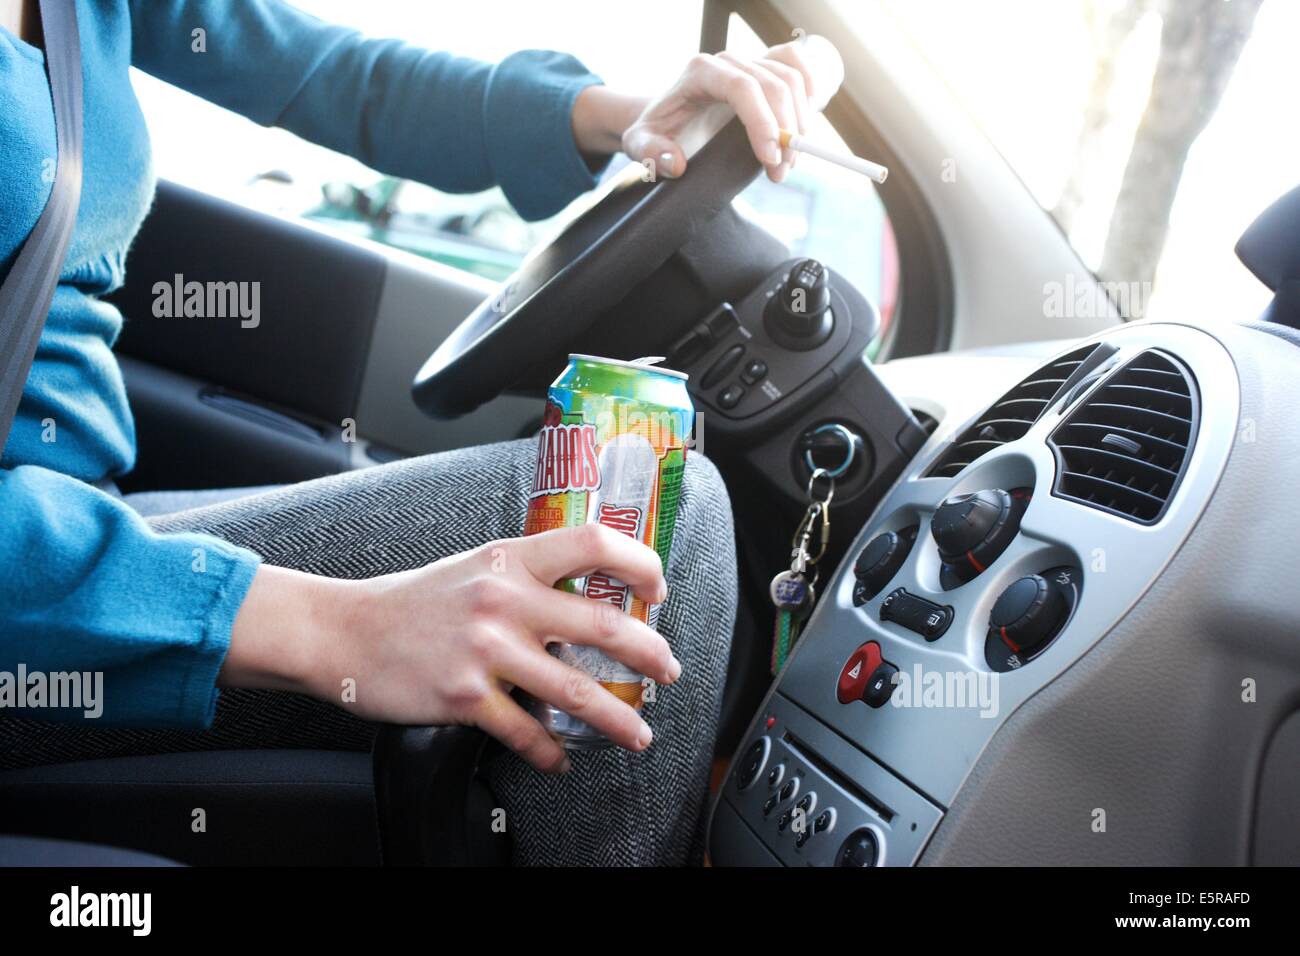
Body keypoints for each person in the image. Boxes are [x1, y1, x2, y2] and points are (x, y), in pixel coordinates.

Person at [0, 0, 821, 864]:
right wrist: (336, 630)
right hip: (34, 607)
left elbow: (331, 75)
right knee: (656, 512)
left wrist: (615, 117)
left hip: (74, 521)